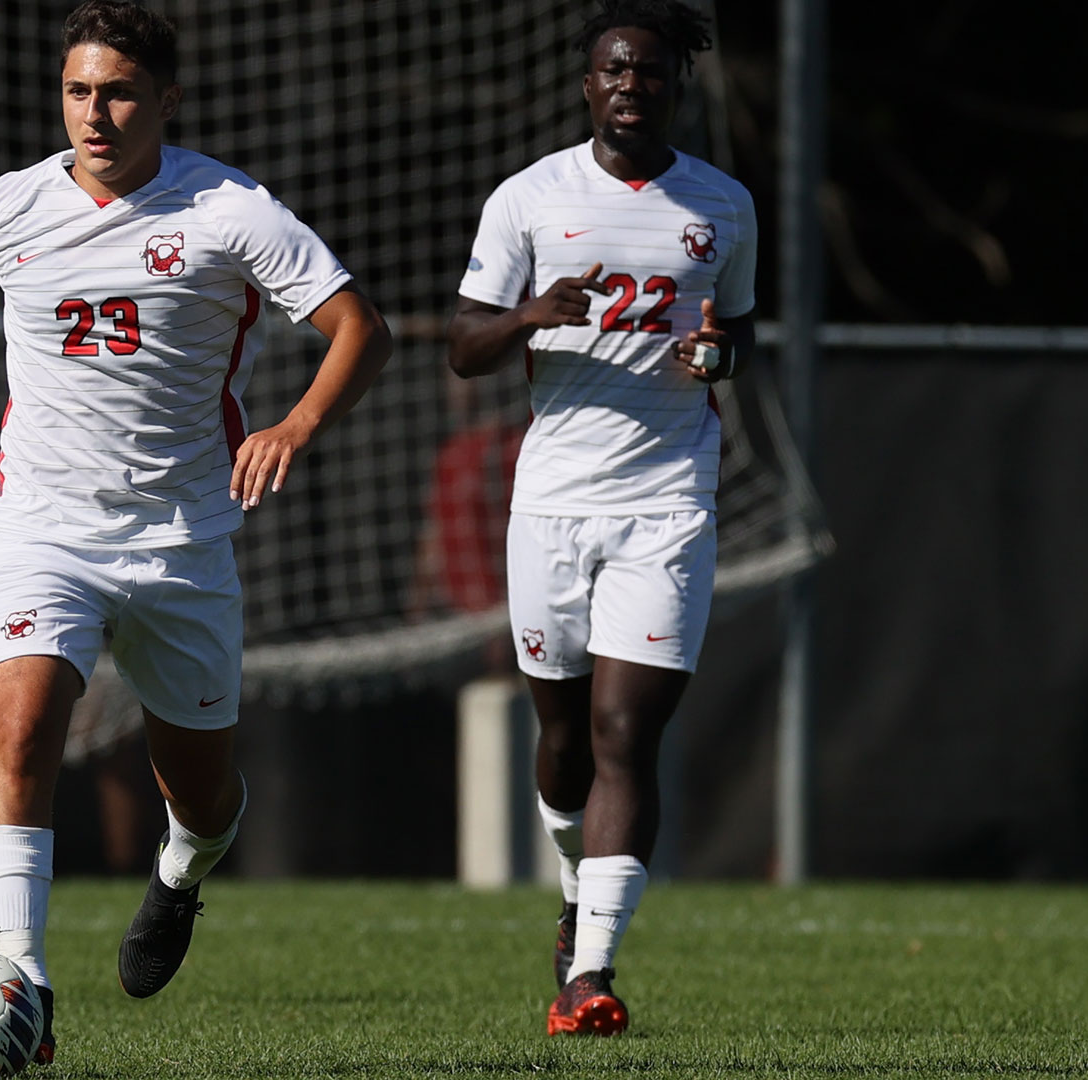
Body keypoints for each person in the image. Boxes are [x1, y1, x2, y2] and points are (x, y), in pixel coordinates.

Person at [0, 0, 390, 1063]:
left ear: (167, 102)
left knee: (203, 796)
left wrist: (296, 424)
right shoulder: (6, 205)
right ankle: (27, 987)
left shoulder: (231, 210)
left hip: (182, 540)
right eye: (79, 90)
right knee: (21, 729)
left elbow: (360, 327)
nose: (95, 112)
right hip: (41, 528)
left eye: (120, 93)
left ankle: (181, 872)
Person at [445, 0, 756, 1037]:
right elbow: (464, 346)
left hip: (667, 501)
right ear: (588, 86)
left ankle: (589, 974)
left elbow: (737, 333)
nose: (632, 84)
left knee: (628, 732)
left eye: (649, 70)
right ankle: (576, 889)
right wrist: (533, 313)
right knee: (565, 741)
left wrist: (717, 355)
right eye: (615, 70)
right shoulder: (530, 199)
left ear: (676, 84)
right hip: (552, 504)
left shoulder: (722, 205)